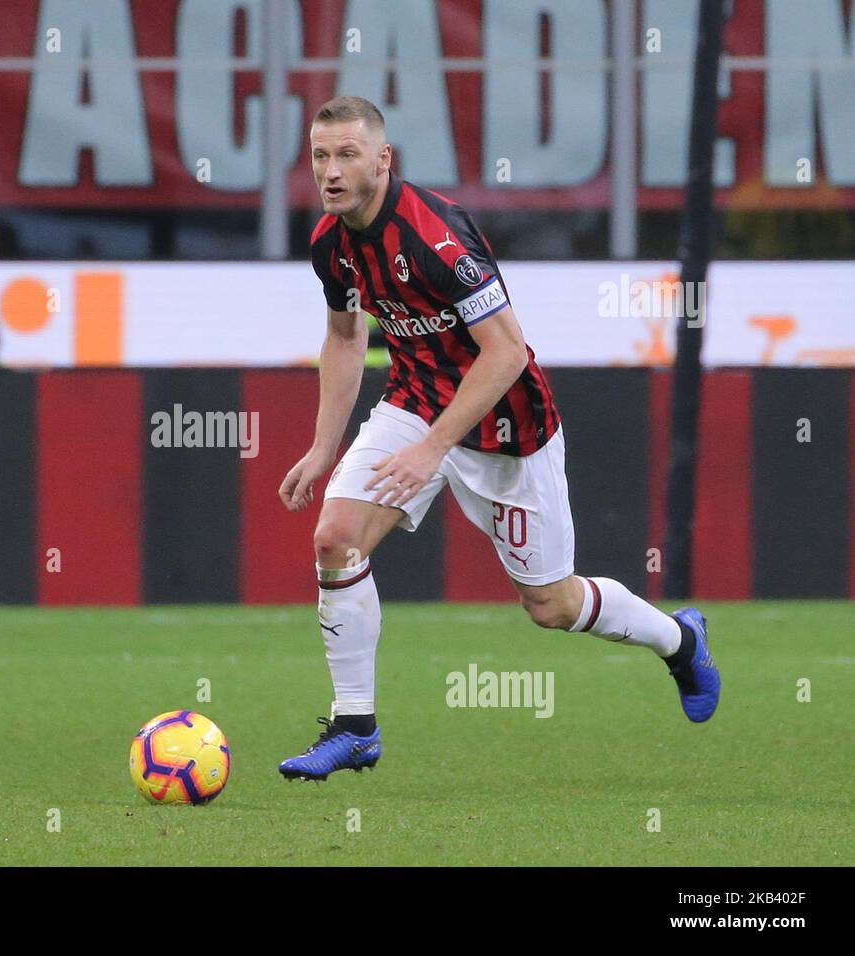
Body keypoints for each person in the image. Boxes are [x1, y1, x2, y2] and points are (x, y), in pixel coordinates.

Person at [275, 96, 720, 781]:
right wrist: (321, 447)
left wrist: (432, 450)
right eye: (319, 156)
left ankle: (680, 640)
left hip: (507, 425)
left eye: (346, 155)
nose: (329, 172)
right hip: (416, 404)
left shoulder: (436, 237)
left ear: (382, 160)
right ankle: (354, 725)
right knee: (335, 537)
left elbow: (508, 351)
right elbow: (344, 337)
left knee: (552, 604)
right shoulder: (330, 245)